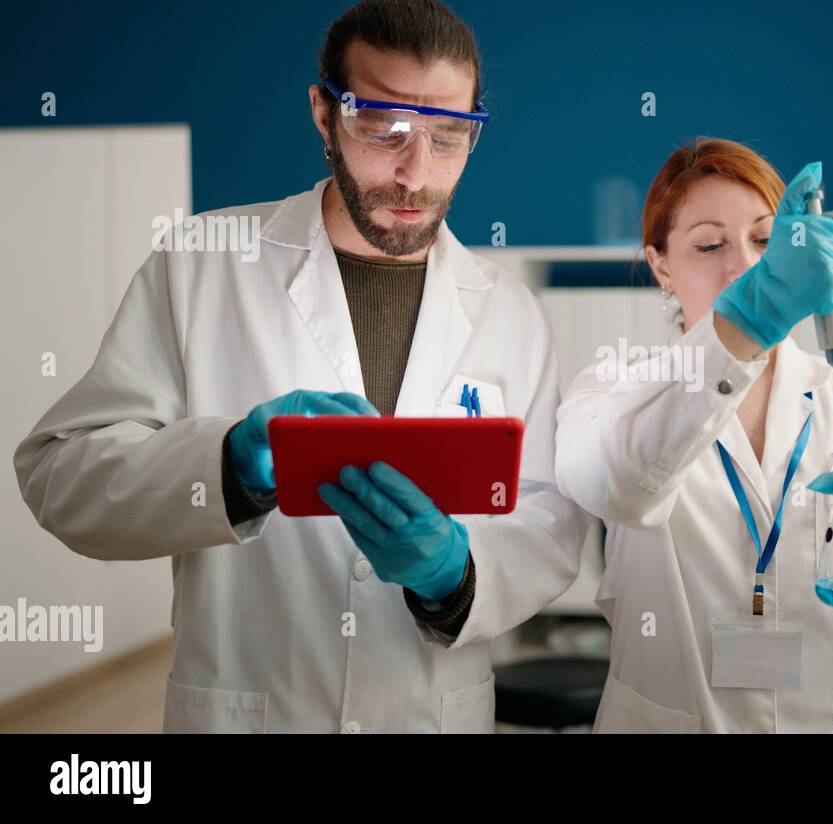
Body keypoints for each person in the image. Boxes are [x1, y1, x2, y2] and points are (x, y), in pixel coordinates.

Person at [13, 0, 589, 733]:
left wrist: (456, 575)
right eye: (383, 128)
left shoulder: (511, 313)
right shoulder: (202, 263)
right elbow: (60, 475)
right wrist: (228, 469)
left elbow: (547, 518)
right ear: (325, 114)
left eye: (448, 136)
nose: (415, 172)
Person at [555, 138, 833, 733]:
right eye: (709, 245)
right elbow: (610, 483)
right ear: (661, 264)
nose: (744, 265)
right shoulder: (619, 387)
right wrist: (750, 318)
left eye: (766, 241)